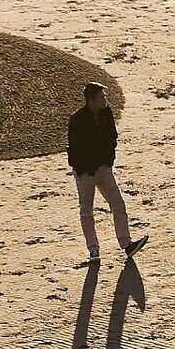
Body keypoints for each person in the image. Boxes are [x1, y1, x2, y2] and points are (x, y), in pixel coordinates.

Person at [66, 82, 147, 265]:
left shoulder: (106, 113)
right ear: (91, 100)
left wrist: (108, 160)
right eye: (101, 97)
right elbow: (75, 147)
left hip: (103, 167)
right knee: (86, 211)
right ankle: (93, 250)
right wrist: (82, 167)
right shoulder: (77, 119)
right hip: (84, 171)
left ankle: (127, 244)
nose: (105, 100)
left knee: (118, 203)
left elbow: (112, 138)